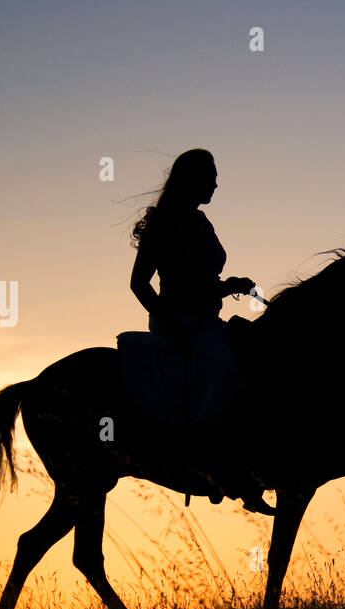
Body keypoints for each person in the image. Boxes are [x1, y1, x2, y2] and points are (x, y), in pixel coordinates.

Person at [129, 148, 271, 513]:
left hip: (207, 321)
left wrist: (229, 285)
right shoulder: (162, 223)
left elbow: (202, 281)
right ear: (192, 180)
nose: (216, 183)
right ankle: (216, 465)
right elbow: (139, 284)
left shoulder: (201, 222)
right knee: (223, 370)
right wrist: (169, 322)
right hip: (178, 324)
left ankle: (244, 465)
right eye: (210, 176)